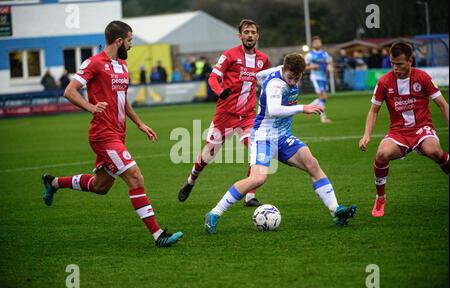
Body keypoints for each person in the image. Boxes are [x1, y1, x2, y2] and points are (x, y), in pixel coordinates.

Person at [41, 20, 183, 247]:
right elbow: (70, 91)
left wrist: (139, 123)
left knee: (101, 186)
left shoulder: (122, 66)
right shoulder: (94, 63)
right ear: (119, 41)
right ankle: (159, 235)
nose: (131, 45)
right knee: (136, 178)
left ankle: (54, 183)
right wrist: (90, 107)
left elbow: (122, 100)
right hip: (103, 135)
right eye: (129, 41)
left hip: (118, 134)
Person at [204, 53, 357, 234]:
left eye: (297, 78)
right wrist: (303, 108)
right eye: (290, 77)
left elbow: (259, 76)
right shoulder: (277, 84)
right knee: (258, 179)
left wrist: (261, 83)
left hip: (283, 137)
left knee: (312, 163)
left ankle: (336, 211)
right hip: (263, 137)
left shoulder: (280, 71)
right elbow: (275, 110)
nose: (293, 82)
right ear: (284, 70)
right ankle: (214, 213)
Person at [177, 19, 270, 207]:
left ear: (257, 36)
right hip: (225, 115)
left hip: (248, 116)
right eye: (246, 32)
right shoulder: (229, 55)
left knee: (256, 152)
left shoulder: (263, 60)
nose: (250, 35)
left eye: (253, 32)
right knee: (208, 154)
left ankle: (250, 196)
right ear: (240, 36)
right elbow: (213, 77)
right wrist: (220, 92)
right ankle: (191, 181)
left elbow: (268, 82)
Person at [359, 41, 449, 217]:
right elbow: (373, 111)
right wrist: (366, 135)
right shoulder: (384, 82)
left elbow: (443, 105)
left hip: (422, 128)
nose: (395, 68)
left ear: (410, 61)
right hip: (399, 132)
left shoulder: (422, 77)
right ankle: (380, 198)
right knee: (381, 154)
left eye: (399, 64)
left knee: (435, 152)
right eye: (392, 64)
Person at [304, 36, 333, 123]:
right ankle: (323, 118)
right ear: (312, 44)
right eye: (315, 42)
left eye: (318, 42)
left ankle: (308, 107)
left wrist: (329, 67)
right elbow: (303, 66)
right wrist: (311, 67)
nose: (317, 44)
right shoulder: (309, 55)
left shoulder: (324, 54)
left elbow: (329, 62)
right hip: (316, 78)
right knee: (323, 96)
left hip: (324, 78)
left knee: (323, 98)